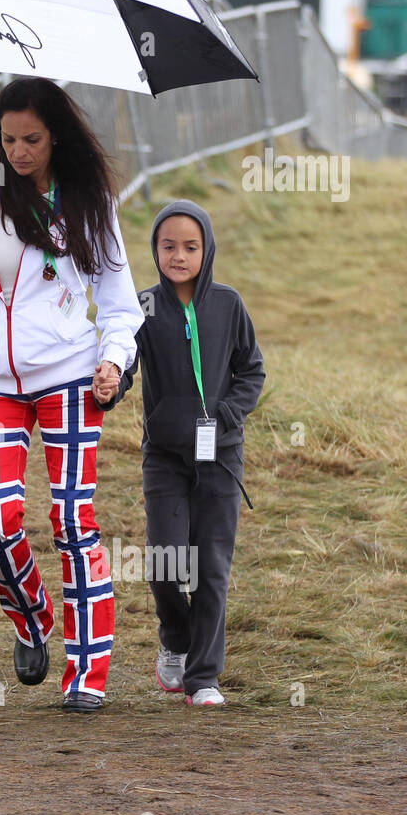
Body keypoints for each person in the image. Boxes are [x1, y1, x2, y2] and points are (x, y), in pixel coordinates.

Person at [0, 77, 144, 712]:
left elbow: (121, 306)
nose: (19, 151)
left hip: (70, 375)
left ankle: (87, 676)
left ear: (55, 135)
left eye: (31, 139)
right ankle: (32, 621)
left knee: (72, 523)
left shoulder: (88, 197)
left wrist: (115, 364)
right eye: (8, 139)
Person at [100, 200, 264, 706]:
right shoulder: (142, 307)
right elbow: (125, 361)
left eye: (190, 247)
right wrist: (113, 383)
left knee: (212, 566)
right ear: (154, 249)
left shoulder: (229, 304)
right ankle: (174, 640)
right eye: (168, 246)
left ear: (206, 249)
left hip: (222, 457)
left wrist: (227, 415)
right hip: (166, 457)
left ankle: (204, 679)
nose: (178, 255)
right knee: (167, 564)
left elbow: (251, 372)